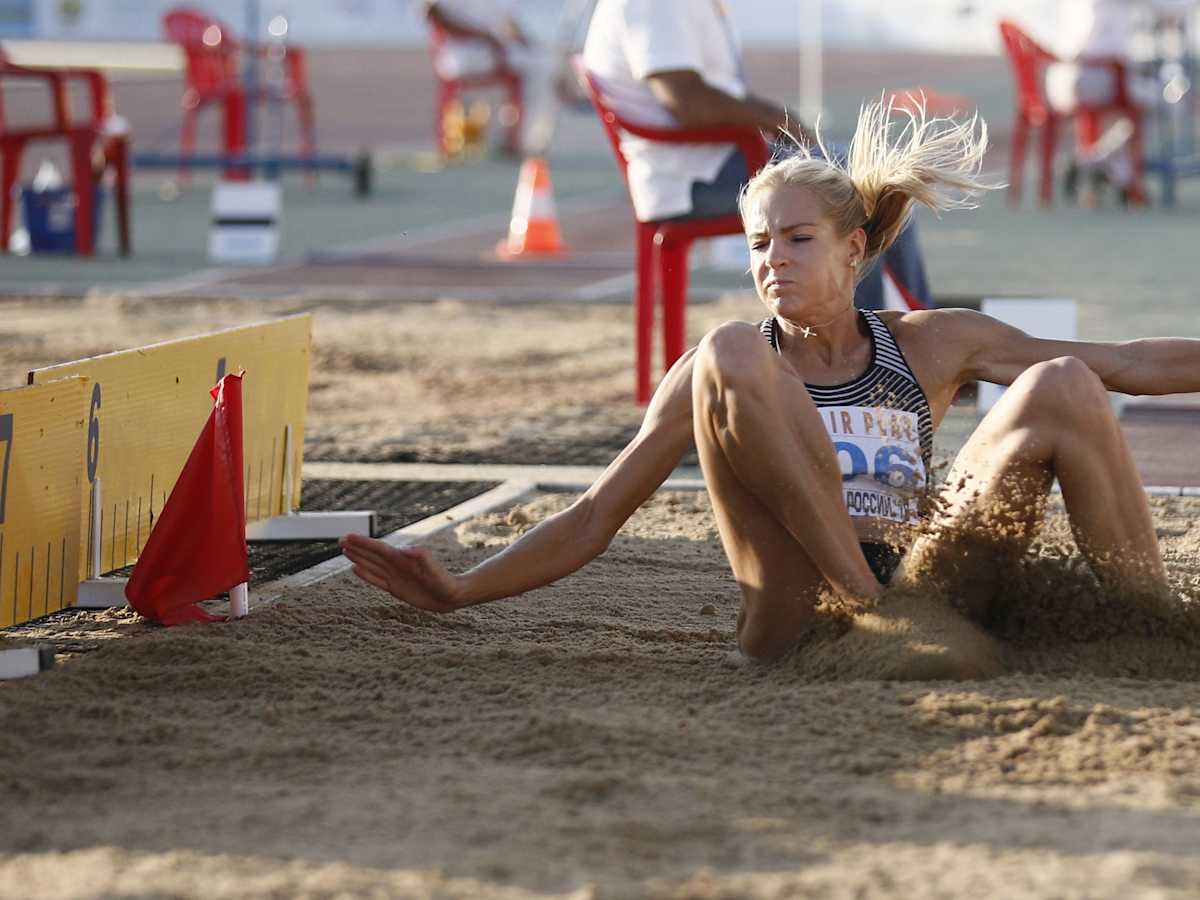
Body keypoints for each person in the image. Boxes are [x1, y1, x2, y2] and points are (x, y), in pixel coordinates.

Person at [340, 99, 1200, 672]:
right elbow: (596, 514)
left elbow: (1127, 364)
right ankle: (871, 616)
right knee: (730, 351)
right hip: (798, 609)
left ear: (854, 250)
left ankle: (1154, 630)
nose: (772, 262)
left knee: (1064, 382)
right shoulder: (725, 369)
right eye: (758, 245)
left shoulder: (927, 346)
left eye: (796, 241)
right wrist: (459, 589)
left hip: (923, 590)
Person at [580, 0, 929, 310]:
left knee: (874, 177)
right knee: (857, 186)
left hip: (716, 163)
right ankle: (881, 356)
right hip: (697, 177)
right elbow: (687, 102)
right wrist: (778, 118)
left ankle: (896, 344)